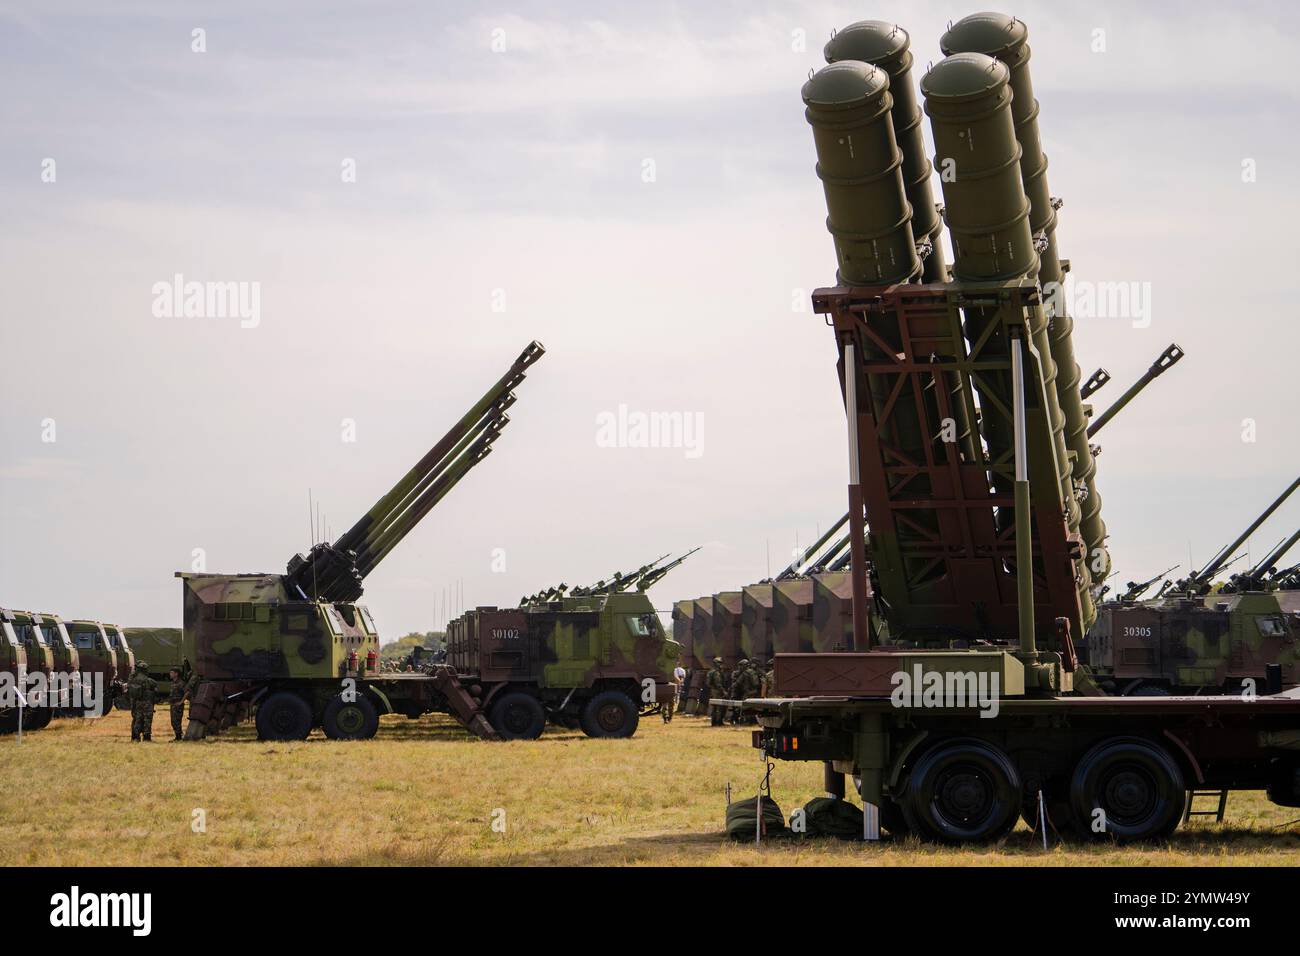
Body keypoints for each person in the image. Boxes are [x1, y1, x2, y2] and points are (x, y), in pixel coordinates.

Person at [127, 661, 157, 742]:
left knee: (137, 719)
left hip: (137, 703)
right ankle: (146, 737)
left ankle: (135, 737)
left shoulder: (133, 679)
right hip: (147, 703)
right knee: (147, 720)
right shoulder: (147, 680)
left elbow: (129, 689)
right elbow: (155, 685)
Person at [706, 657, 730, 726]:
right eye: (720, 663)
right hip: (717, 691)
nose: (721, 665)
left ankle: (714, 722)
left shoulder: (711, 671)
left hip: (713, 690)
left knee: (715, 707)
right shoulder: (716, 673)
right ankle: (718, 722)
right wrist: (723, 691)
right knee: (719, 707)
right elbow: (718, 683)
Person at [167, 667, 186, 740]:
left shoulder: (181, 683)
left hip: (178, 705)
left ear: (176, 674)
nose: (170, 674)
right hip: (173, 705)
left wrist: (181, 702)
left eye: (172, 673)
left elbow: (187, 692)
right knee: (173, 722)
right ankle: (178, 736)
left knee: (177, 721)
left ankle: (179, 737)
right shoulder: (173, 683)